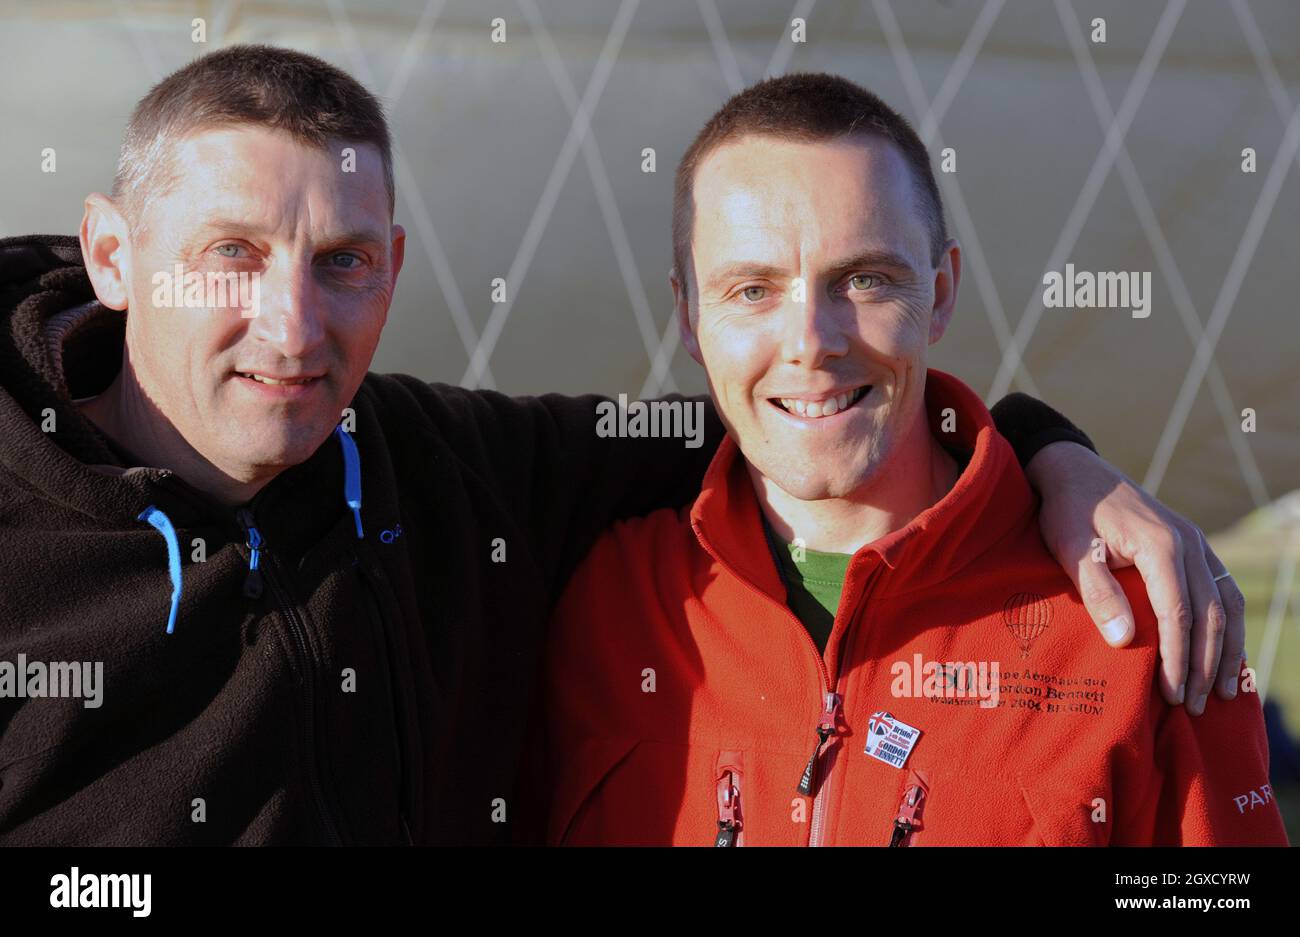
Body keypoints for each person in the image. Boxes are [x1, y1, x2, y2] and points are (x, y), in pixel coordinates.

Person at [0, 47, 1240, 845]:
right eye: (231, 254)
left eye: (343, 263)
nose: (293, 325)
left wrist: (1046, 455)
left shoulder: (457, 477)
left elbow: (808, 415)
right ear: (113, 256)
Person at [535, 74, 1286, 846]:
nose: (812, 342)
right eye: (753, 290)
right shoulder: (595, 606)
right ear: (691, 317)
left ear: (943, 289)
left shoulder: (1136, 626)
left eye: (864, 280)